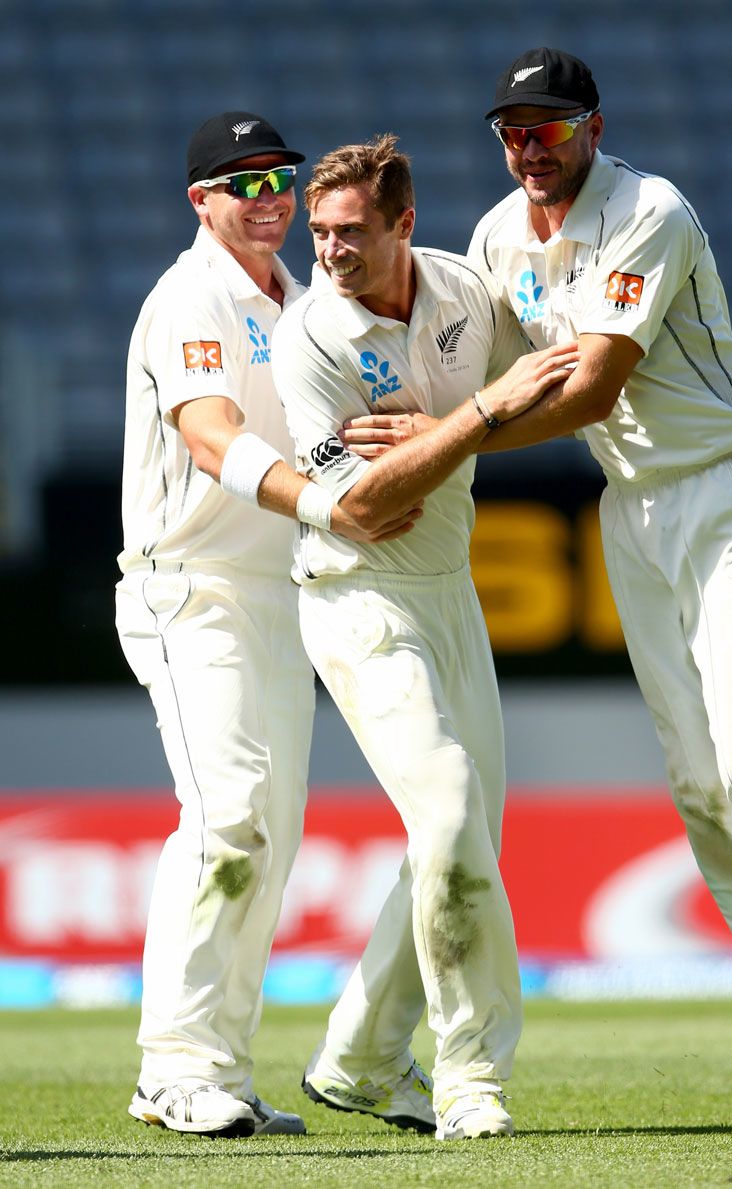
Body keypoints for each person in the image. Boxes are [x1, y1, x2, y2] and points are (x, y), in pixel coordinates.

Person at [345, 48, 732, 1134]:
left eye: (547, 127)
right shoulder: (498, 236)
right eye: (511, 131)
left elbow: (590, 385)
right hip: (632, 509)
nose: (529, 148)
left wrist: (445, 442)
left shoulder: (652, 210)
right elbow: (474, 370)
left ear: (593, 125)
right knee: (695, 784)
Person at [115, 111, 418, 1138]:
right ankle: (175, 1067)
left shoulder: (300, 300)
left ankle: (220, 1069)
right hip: (189, 586)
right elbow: (212, 438)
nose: (270, 200)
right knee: (230, 816)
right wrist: (332, 502)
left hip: (279, 588)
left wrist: (366, 460)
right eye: (242, 185)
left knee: (269, 836)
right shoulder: (190, 294)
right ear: (200, 201)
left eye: (280, 180)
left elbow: (314, 437)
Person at [270, 134, 577, 1141]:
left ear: (405, 224)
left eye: (351, 232)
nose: (330, 252)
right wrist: (477, 416)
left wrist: (459, 427)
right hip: (358, 595)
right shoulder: (310, 332)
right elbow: (360, 504)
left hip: (450, 590)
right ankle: (469, 1076)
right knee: (446, 808)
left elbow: (558, 398)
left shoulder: (462, 291)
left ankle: (357, 1057)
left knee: (460, 836)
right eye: (319, 233)